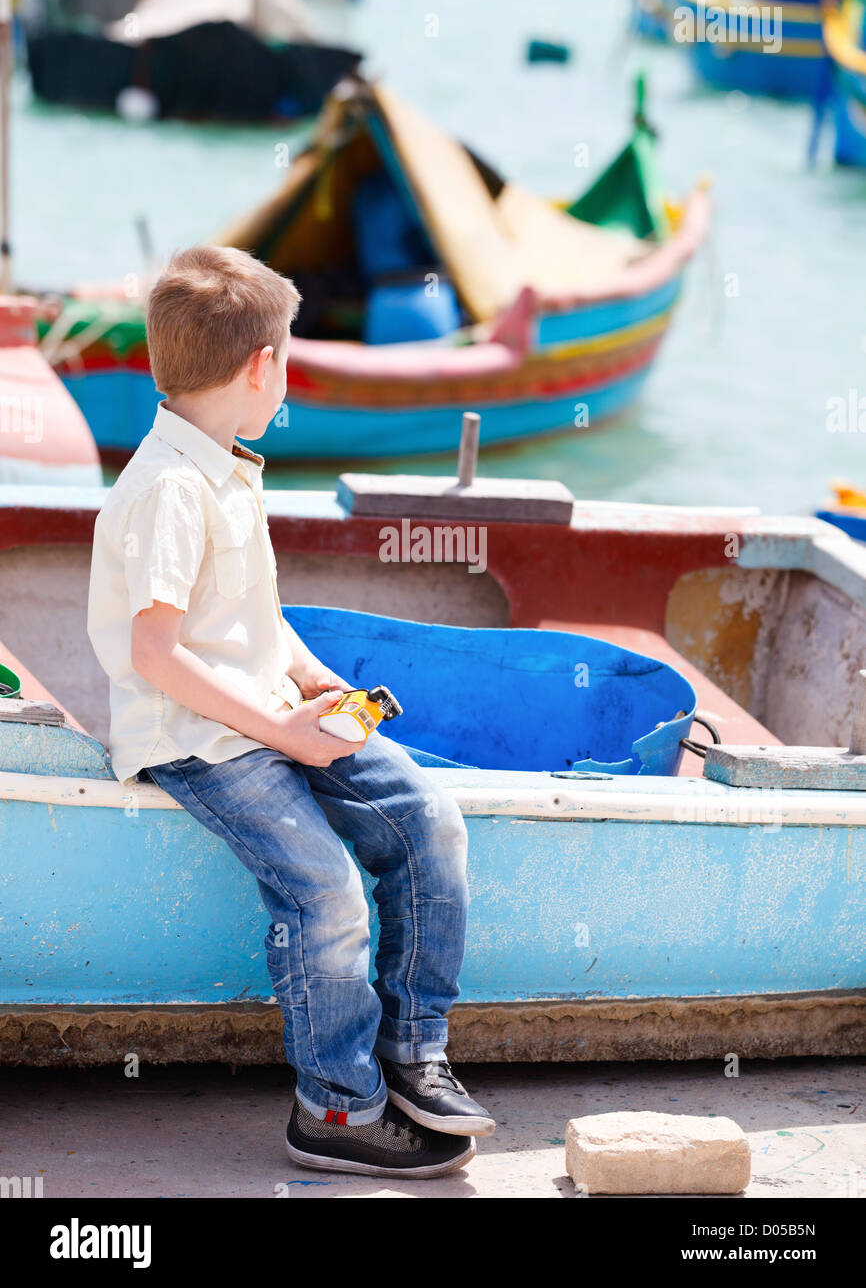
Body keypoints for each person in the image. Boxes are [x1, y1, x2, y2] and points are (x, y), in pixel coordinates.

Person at [87, 244, 494, 1179]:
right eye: (289, 361)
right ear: (259, 367)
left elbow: (250, 616)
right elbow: (157, 654)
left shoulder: (225, 464)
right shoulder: (168, 489)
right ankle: (335, 1112)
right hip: (199, 740)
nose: (287, 382)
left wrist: (311, 682)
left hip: (268, 713)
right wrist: (284, 734)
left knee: (430, 821)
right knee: (327, 894)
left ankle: (412, 1052)